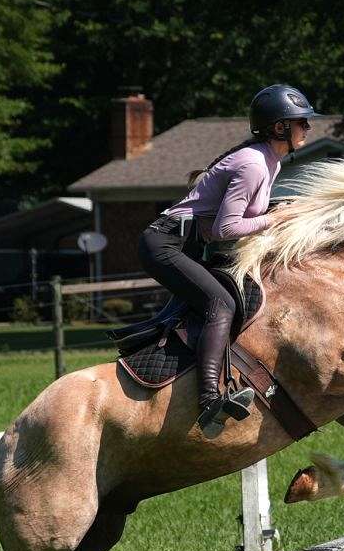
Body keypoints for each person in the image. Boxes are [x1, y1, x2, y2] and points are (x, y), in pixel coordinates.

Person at [138, 84, 322, 438]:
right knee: (219, 302)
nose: (307, 129)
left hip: (185, 245)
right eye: (302, 122)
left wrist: (276, 211)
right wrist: (276, 217)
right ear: (279, 127)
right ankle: (208, 401)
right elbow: (227, 227)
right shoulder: (254, 163)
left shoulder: (271, 162)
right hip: (164, 244)